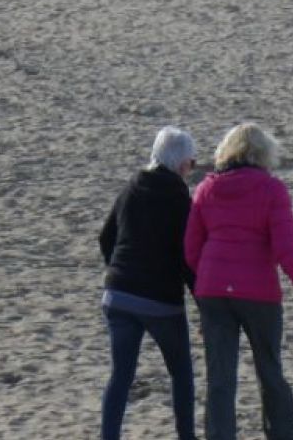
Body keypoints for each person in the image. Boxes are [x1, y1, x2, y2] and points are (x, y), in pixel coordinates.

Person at [184, 123, 293, 440]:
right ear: (264, 153)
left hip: (214, 291)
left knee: (220, 377)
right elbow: (286, 249)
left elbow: (191, 249)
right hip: (259, 291)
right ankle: (281, 434)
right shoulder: (272, 190)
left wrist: (205, 281)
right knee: (269, 369)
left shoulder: (206, 188)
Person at [99, 126, 199, 440]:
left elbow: (106, 238)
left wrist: (117, 272)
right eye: (191, 163)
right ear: (181, 163)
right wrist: (200, 298)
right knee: (181, 374)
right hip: (159, 299)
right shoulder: (178, 196)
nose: (191, 170)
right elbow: (186, 256)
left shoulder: (131, 187)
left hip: (118, 294)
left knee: (120, 376)